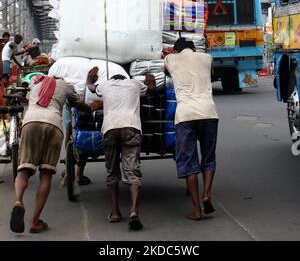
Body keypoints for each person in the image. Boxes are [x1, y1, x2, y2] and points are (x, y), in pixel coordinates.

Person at [9, 75, 98, 234]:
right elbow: (78, 104)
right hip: (53, 124)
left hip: (30, 122)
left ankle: (18, 201)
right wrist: (91, 107)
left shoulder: (35, 85)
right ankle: (35, 222)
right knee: (46, 174)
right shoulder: (67, 86)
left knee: (23, 171)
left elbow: (28, 98)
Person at [87, 68, 155, 231]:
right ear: (125, 79)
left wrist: (89, 79)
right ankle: (134, 211)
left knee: (112, 170)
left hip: (110, 127)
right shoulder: (134, 84)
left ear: (113, 80)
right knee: (132, 170)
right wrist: (150, 80)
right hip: (131, 126)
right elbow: (151, 90)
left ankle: (115, 211)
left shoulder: (105, 85)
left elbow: (91, 88)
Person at [164, 37, 219, 221]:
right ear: (194, 48)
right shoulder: (207, 57)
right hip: (209, 113)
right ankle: (207, 194)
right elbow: (210, 75)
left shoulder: (171, 59)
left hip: (186, 115)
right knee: (208, 157)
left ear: (176, 50)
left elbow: (166, 72)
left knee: (190, 163)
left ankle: (197, 211)